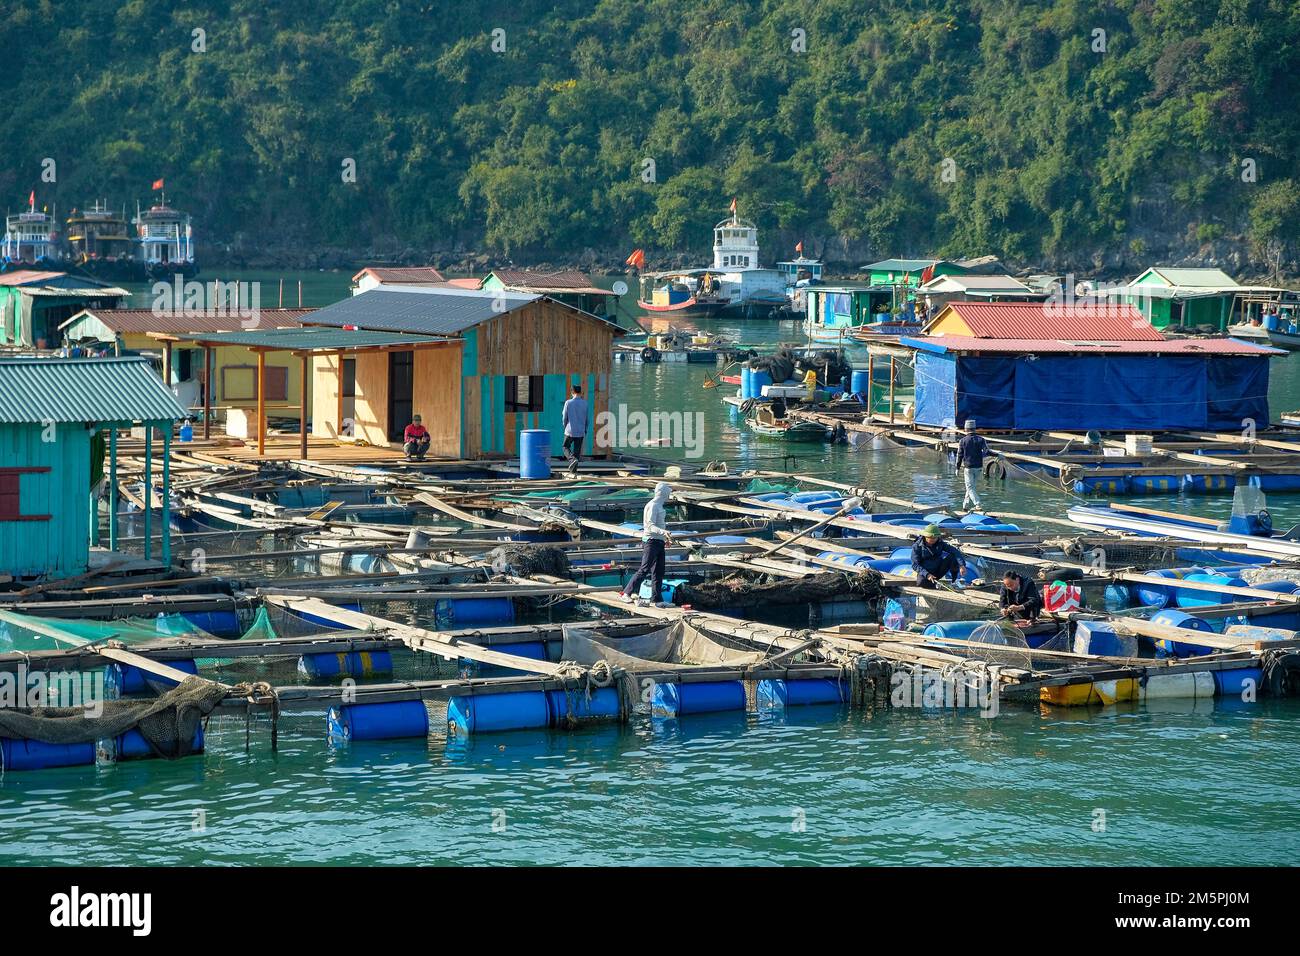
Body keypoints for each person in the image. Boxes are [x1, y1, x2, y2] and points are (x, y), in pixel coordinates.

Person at [620, 482, 674, 606]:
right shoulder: (653, 505)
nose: (669, 495)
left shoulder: (660, 506)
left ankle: (657, 599)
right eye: (668, 492)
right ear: (662, 492)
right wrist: (663, 532)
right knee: (644, 569)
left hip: (659, 542)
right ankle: (626, 593)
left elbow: (659, 526)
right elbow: (650, 526)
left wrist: (664, 538)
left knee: (658, 571)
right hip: (651, 542)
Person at [911, 524, 967, 589]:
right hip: (926, 572)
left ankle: (954, 580)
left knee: (953, 556)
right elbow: (915, 565)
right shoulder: (917, 546)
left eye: (935, 538)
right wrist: (927, 574)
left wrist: (961, 565)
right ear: (926, 536)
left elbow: (955, 551)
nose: (933, 539)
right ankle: (935, 586)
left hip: (938, 570)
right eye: (931, 538)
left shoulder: (940, 543)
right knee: (921, 583)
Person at [955, 419, 990, 510]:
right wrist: (998, 455)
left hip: (968, 468)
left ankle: (977, 504)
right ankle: (965, 506)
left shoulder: (962, 441)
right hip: (978, 467)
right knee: (971, 487)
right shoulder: (981, 439)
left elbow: (960, 455)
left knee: (970, 487)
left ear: (965, 429)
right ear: (975, 429)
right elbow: (987, 451)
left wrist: (957, 468)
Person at [561, 383, 589, 475]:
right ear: (580, 393)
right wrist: (585, 429)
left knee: (565, 447)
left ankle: (572, 460)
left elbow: (564, 417)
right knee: (577, 451)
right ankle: (574, 472)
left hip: (570, 431)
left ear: (572, 392)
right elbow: (587, 419)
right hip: (581, 431)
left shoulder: (568, 403)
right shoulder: (585, 403)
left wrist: (565, 427)